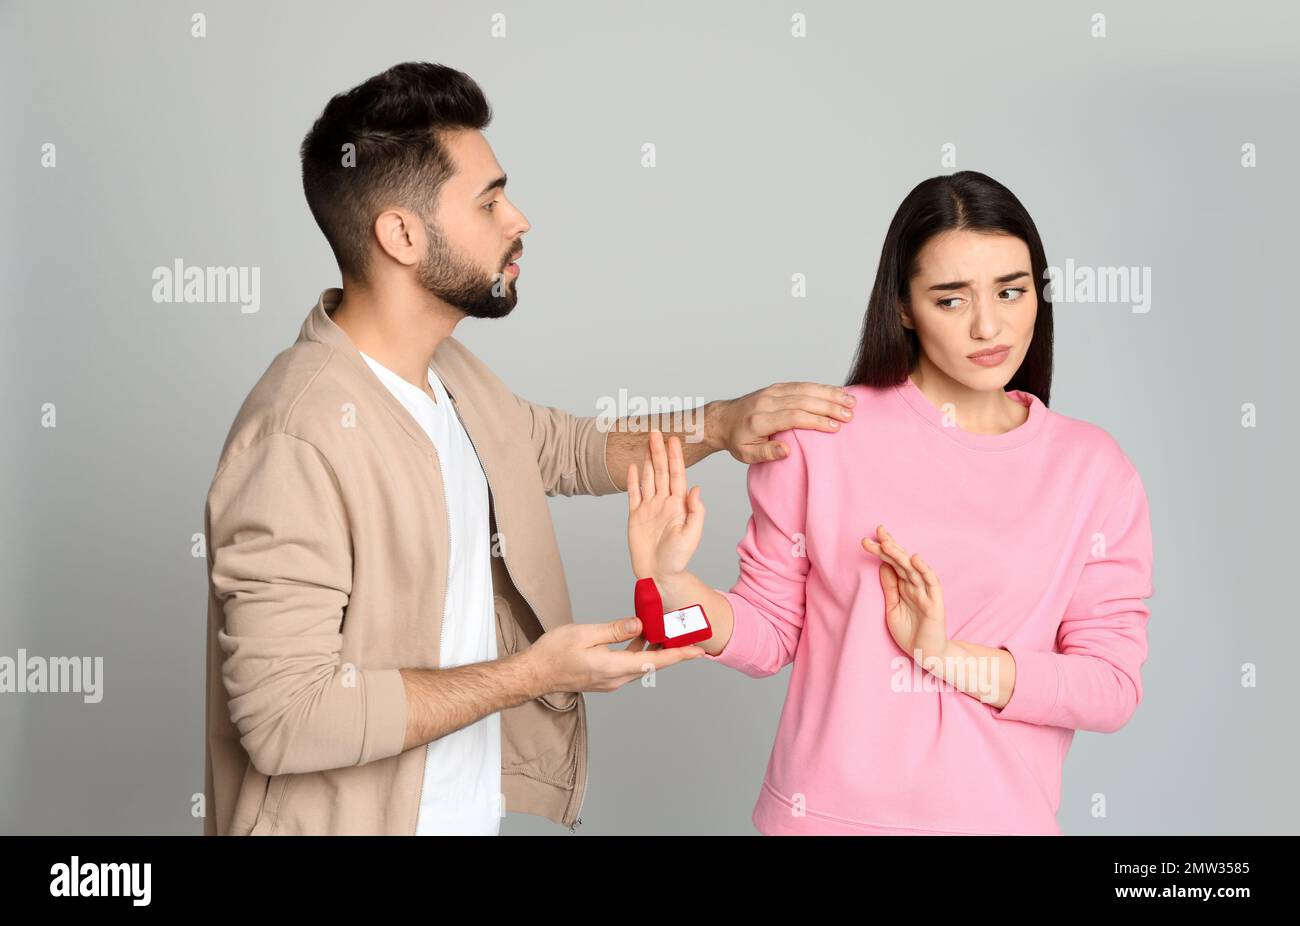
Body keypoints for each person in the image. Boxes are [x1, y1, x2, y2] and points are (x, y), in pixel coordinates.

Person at [201, 61, 857, 836]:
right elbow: (287, 720)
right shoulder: (297, 436)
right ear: (401, 235)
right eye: (488, 201)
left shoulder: (449, 374)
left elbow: (568, 449)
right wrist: (532, 675)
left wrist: (718, 425)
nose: (518, 219)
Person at [627, 171, 1155, 835]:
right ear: (903, 306)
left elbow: (1110, 689)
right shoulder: (822, 438)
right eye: (950, 299)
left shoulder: (1092, 470)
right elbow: (766, 635)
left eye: (1011, 292)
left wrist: (945, 656)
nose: (989, 324)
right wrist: (670, 588)